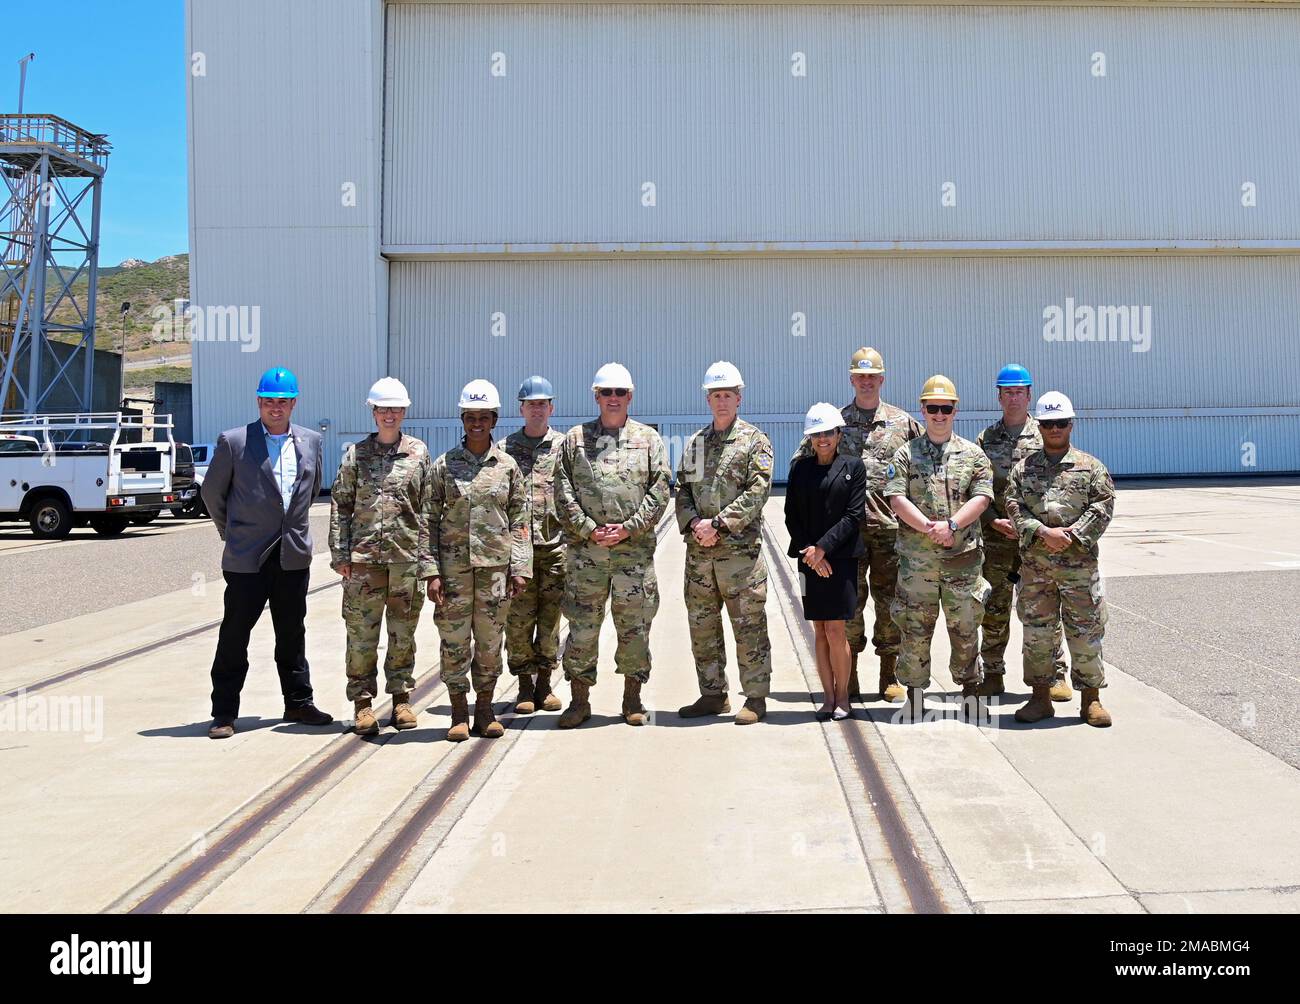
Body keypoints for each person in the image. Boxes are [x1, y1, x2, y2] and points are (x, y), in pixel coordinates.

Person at [201, 367, 332, 739]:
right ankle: (224, 712)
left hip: (292, 556)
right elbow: (213, 493)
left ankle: (298, 701)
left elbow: (312, 489)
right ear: (259, 402)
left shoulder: (310, 441)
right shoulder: (235, 442)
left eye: (283, 401)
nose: (276, 408)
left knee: (292, 633)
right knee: (234, 634)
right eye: (269, 401)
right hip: (248, 559)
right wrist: (232, 532)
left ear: (293, 403)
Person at [791, 347, 920, 703]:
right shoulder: (836, 421)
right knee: (848, 607)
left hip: (890, 530)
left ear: (882, 379)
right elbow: (801, 467)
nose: (866, 382)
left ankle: (889, 673)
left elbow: (923, 467)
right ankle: (850, 676)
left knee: (891, 603)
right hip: (844, 535)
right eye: (860, 376)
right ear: (851, 379)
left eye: (872, 376)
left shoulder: (902, 423)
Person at [553, 362, 671, 728]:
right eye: (607, 393)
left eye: (620, 392)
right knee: (582, 628)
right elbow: (562, 490)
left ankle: (632, 698)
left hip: (631, 556)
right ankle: (579, 700)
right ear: (596, 396)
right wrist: (589, 529)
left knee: (634, 627)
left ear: (630, 396)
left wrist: (629, 528)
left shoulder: (649, 439)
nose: (614, 399)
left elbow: (661, 489)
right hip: (587, 556)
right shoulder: (575, 440)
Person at [427, 379, 532, 742]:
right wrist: (430, 572)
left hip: (495, 573)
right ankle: (458, 710)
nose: (476, 423)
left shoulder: (507, 467)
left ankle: (485, 709)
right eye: (470, 417)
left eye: (483, 417)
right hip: (453, 573)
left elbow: (521, 520)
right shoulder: (444, 466)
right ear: (462, 418)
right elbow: (428, 519)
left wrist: (520, 568)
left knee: (489, 642)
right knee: (454, 641)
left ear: (494, 419)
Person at [883, 375, 993, 722]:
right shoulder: (906, 454)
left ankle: (970, 690)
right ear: (923, 410)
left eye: (946, 408)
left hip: (962, 562)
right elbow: (896, 497)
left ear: (955, 410)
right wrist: (929, 528)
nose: (939, 414)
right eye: (933, 408)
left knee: (964, 628)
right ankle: (915, 696)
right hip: (918, 564)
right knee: (914, 630)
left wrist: (953, 525)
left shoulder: (974, 455)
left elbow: (983, 496)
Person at [329, 377, 435, 736]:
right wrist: (340, 554)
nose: (389, 415)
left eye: (395, 409)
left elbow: (427, 508)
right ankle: (362, 704)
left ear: (404, 411)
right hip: (363, 562)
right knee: (361, 635)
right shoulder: (356, 455)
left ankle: (401, 699)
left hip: (406, 559)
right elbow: (341, 505)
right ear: (373, 412)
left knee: (402, 633)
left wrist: (427, 559)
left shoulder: (419, 453)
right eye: (382, 409)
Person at [1007, 392, 1116, 727]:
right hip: (1037, 568)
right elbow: (1013, 505)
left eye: (1060, 423)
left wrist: (1070, 535)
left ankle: (1091, 700)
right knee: (1038, 633)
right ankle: (1040, 698)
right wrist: (1041, 531)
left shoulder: (1090, 467)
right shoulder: (1023, 470)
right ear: (1039, 426)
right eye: (1048, 423)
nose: (1054, 429)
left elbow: (1103, 504)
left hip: (1078, 568)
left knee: (1085, 632)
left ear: (1071, 424)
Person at [675, 362, 775, 725]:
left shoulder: (754, 441)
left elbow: (758, 490)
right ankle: (712, 693)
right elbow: (682, 489)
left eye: (727, 395)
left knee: (748, 625)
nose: (721, 401)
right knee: (702, 625)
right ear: (708, 399)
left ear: (739, 398)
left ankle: (756, 697)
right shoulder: (697, 444)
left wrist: (718, 524)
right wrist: (694, 524)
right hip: (700, 556)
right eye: (716, 395)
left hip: (739, 558)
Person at [784, 403, 866, 721]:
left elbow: (853, 515)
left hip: (840, 560)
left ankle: (844, 697)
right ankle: (827, 697)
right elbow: (792, 515)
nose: (823, 439)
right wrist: (809, 550)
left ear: (838, 434)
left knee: (835, 630)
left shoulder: (853, 467)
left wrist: (823, 549)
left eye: (828, 433)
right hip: (808, 560)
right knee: (818, 629)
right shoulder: (800, 469)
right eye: (816, 434)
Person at [503, 376, 566, 715]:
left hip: (555, 547)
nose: (537, 409)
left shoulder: (565, 446)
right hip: (518, 551)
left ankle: (545, 682)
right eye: (531, 404)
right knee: (518, 620)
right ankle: (524, 685)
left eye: (543, 404)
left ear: (551, 407)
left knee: (551, 619)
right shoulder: (505, 448)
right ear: (522, 408)